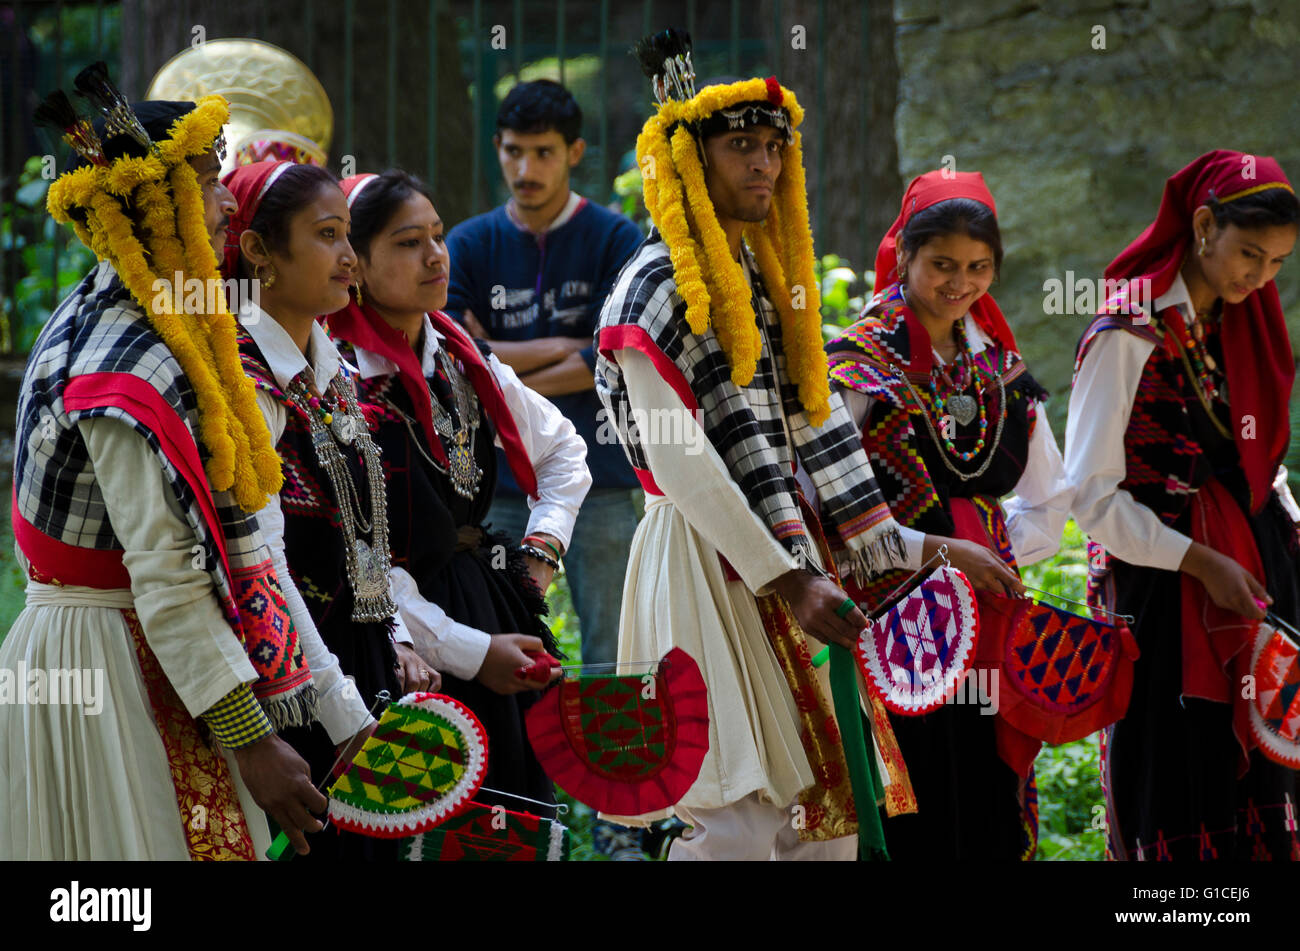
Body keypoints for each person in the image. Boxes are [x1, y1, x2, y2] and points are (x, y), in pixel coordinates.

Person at [3, 78, 370, 859]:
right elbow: (166, 573)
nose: (228, 203)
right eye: (207, 181)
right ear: (157, 200)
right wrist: (251, 742)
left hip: (128, 642)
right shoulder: (130, 359)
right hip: (107, 650)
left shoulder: (133, 314)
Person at [593, 30, 912, 861]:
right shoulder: (651, 284)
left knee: (825, 820)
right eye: (741, 146)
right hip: (703, 557)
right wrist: (789, 578)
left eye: (774, 147)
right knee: (734, 819)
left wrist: (906, 547)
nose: (764, 164)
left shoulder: (773, 282)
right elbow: (677, 460)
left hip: (792, 554)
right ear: (691, 162)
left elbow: (812, 428)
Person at [823, 171, 1074, 859]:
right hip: (891, 626)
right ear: (903, 254)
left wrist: (993, 553)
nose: (959, 283)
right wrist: (940, 554)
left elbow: (1049, 497)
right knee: (917, 799)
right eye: (941, 264)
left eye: (977, 267)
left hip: (986, 620)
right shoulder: (858, 364)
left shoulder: (999, 371)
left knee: (987, 798)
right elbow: (828, 511)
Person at [328, 168, 590, 810]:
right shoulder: (336, 375)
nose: (436, 255)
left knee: (508, 811)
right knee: (418, 816)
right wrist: (471, 651)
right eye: (407, 242)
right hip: (390, 633)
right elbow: (352, 549)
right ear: (355, 264)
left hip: (488, 598)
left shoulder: (459, 356)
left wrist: (540, 557)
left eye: (438, 236)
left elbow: (564, 451)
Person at [1066, 150, 1300, 861]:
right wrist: (1198, 562)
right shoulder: (1125, 334)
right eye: (1249, 253)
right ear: (1203, 226)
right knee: (1174, 765)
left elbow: (1255, 460)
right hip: (1162, 587)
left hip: (1252, 575)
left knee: (1263, 768)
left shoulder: (1235, 322)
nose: (1259, 277)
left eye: (1278, 262)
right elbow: (1090, 495)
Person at [444, 77, 646, 856]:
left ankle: (620, 822)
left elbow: (614, 357)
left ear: (575, 154)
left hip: (597, 480)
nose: (524, 169)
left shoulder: (615, 238)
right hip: (489, 488)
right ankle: (512, 813)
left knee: (607, 649)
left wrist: (498, 358)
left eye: (542, 154)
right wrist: (559, 352)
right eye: (512, 152)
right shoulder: (465, 243)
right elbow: (459, 356)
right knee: (493, 646)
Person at [222, 160, 436, 860]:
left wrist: (396, 631)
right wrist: (340, 710)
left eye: (348, 234)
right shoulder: (244, 381)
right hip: (296, 675)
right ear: (258, 251)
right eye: (326, 235)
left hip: (364, 650)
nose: (350, 257)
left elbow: (363, 526)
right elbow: (264, 562)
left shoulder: (331, 364)